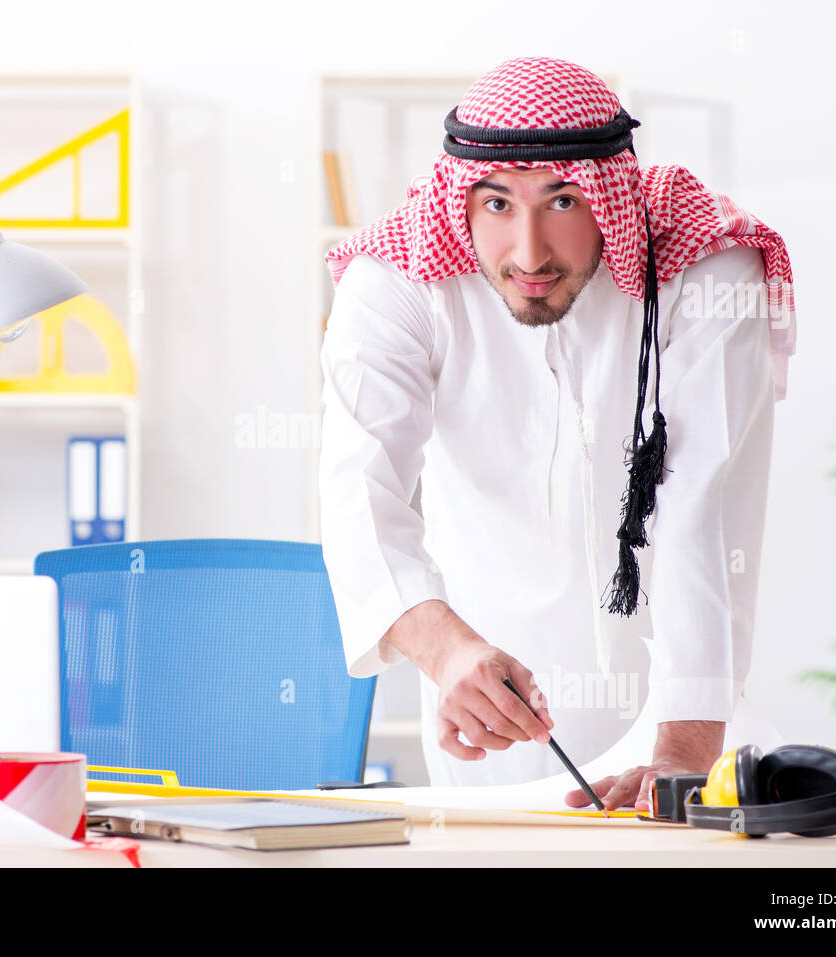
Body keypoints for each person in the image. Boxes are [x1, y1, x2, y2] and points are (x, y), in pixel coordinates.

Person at [318, 57, 796, 811]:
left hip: (682, 727)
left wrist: (681, 751)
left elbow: (706, 503)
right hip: (482, 731)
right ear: (460, 199)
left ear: (608, 195)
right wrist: (446, 649)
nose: (530, 252)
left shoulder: (704, 269)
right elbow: (358, 496)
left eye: (563, 200)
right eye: (498, 203)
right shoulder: (395, 285)